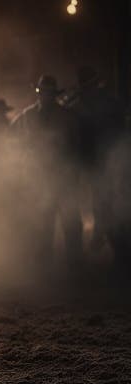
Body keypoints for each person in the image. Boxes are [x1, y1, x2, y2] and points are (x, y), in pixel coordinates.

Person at [11, 75, 83, 270]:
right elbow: (11, 138)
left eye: (49, 93)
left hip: (62, 176)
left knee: (69, 222)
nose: (46, 96)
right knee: (44, 223)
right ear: (39, 93)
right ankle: (45, 265)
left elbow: (77, 146)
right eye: (43, 92)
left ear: (53, 94)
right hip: (41, 177)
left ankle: (73, 265)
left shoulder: (65, 117)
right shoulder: (28, 116)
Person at [66, 66, 124, 254]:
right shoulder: (101, 102)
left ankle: (107, 237)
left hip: (103, 158)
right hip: (95, 159)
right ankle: (106, 237)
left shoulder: (87, 104)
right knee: (101, 198)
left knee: (104, 199)